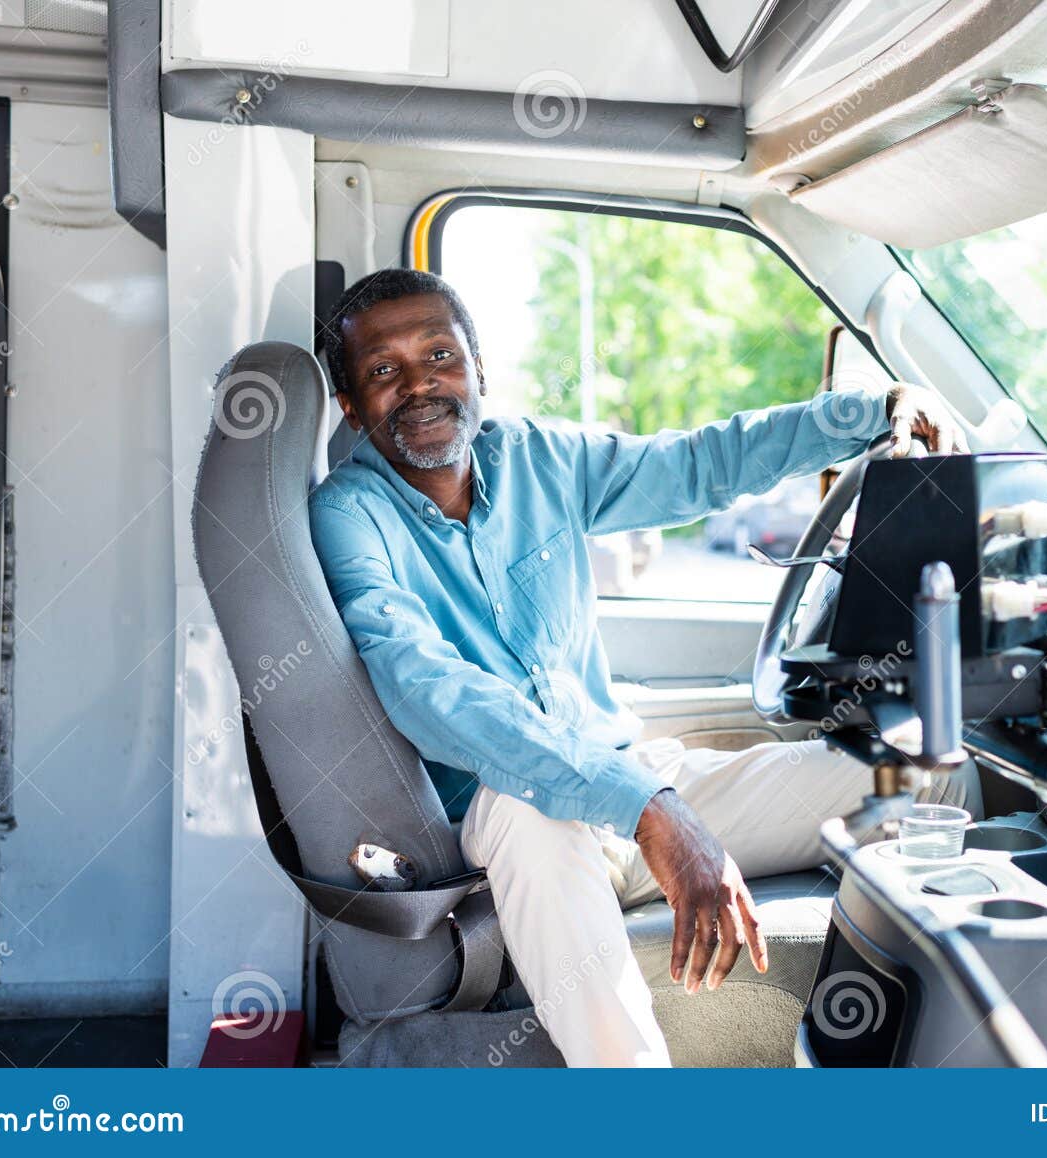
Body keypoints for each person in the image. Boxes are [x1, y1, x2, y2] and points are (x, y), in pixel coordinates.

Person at [310, 269, 968, 1065]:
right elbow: (424, 684)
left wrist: (872, 414)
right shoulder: (349, 514)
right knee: (530, 814)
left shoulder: (536, 458)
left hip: (628, 778)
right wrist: (648, 808)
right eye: (383, 370)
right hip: (506, 817)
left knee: (924, 774)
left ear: (479, 373)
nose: (419, 384)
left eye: (440, 355)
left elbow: (701, 464)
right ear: (351, 404)